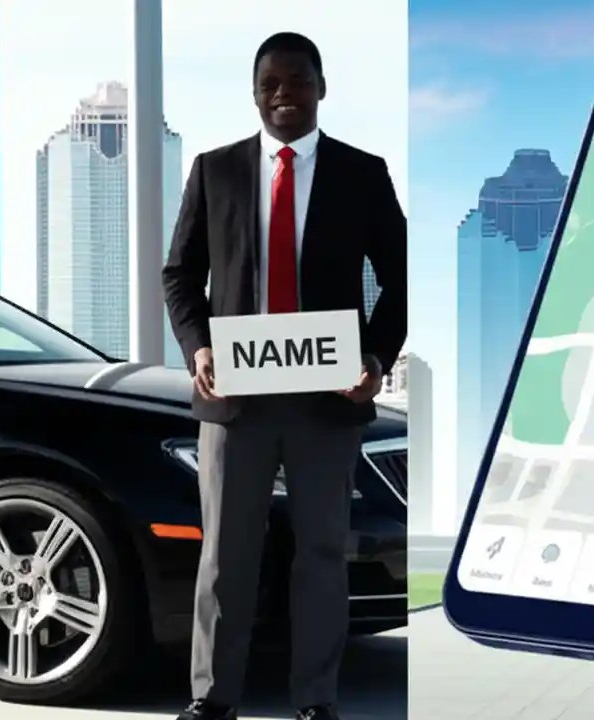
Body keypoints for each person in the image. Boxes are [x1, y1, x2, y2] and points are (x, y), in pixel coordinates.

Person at [162, 30, 407, 720]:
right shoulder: (216, 171)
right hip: (235, 397)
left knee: (322, 557)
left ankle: (316, 703)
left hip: (327, 400)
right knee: (227, 558)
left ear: (321, 88)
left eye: (297, 81)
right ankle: (212, 699)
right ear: (254, 94)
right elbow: (180, 275)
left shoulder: (363, 174)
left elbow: (401, 279)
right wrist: (199, 349)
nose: (284, 96)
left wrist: (377, 358)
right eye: (270, 84)